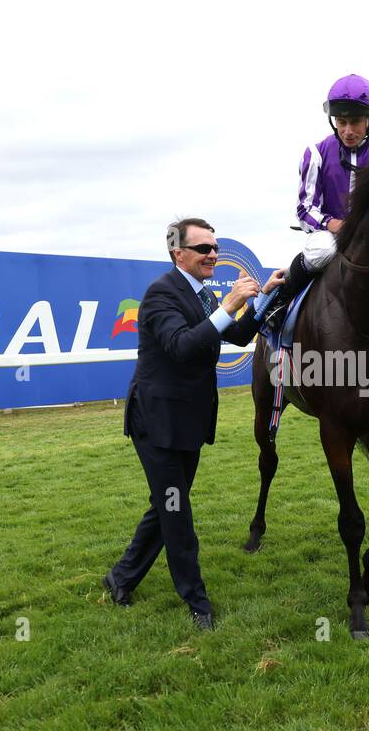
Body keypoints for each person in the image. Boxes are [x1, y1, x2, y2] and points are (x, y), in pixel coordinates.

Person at [104, 218, 262, 631]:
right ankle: (197, 603)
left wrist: (264, 300)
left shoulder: (203, 293)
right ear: (179, 254)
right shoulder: (160, 294)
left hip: (187, 420)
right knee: (177, 510)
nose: (214, 254)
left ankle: (121, 577)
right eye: (204, 249)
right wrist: (229, 307)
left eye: (215, 248)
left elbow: (240, 337)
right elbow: (181, 347)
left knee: (166, 504)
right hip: (155, 422)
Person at [258, 74, 369, 332]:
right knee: (321, 252)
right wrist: (333, 224)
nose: (348, 131)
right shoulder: (317, 152)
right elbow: (305, 210)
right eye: (341, 122)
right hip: (328, 234)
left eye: (355, 122)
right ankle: (281, 301)